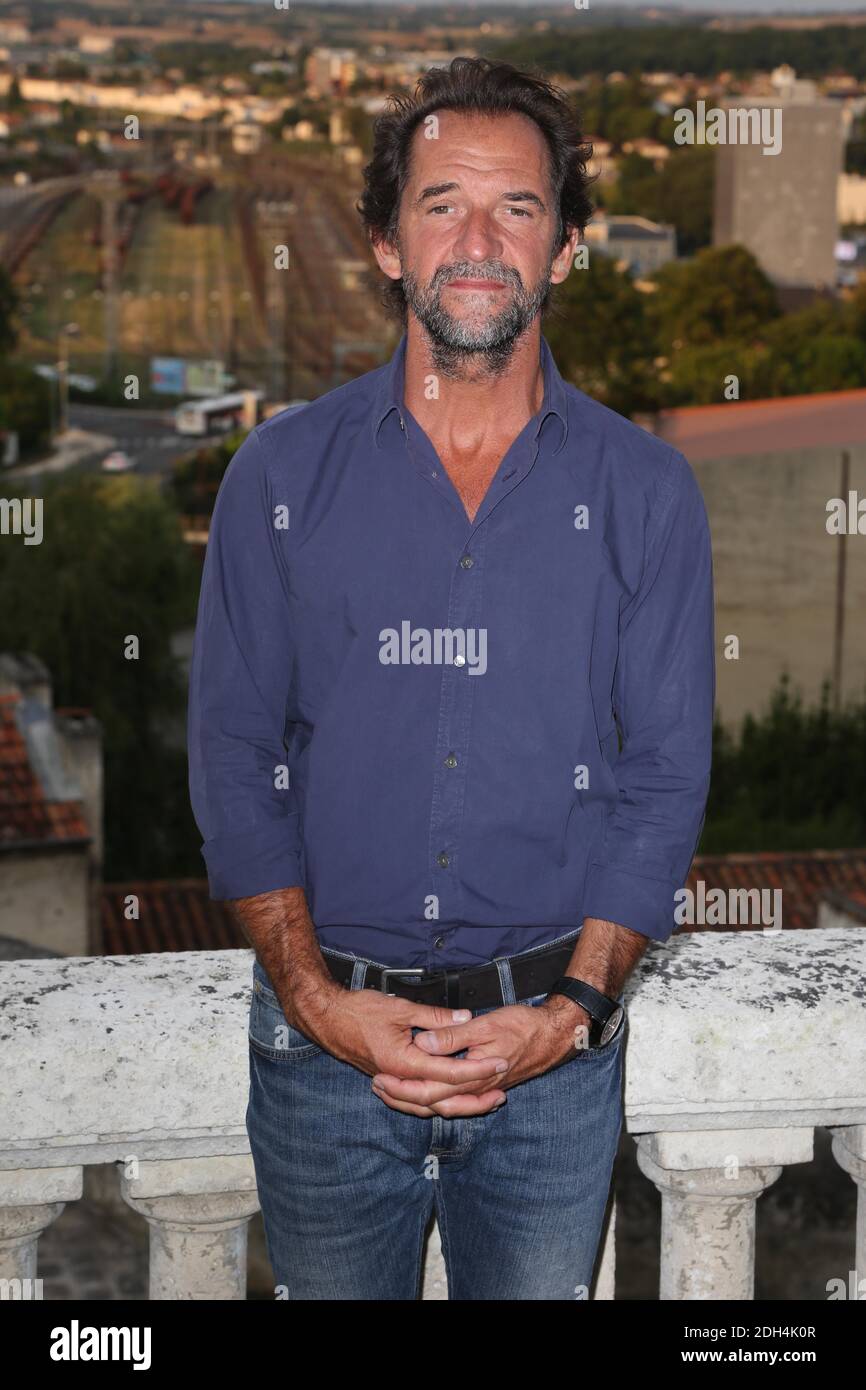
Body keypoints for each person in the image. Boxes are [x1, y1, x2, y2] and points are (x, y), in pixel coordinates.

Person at [187, 57, 715, 1301]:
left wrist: (569, 1010)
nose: (477, 242)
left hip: (551, 1068)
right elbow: (229, 756)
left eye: (517, 209)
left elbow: (664, 775)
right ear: (385, 243)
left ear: (566, 249)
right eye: (440, 206)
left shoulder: (646, 494)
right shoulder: (276, 479)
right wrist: (317, 1002)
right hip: (324, 1063)